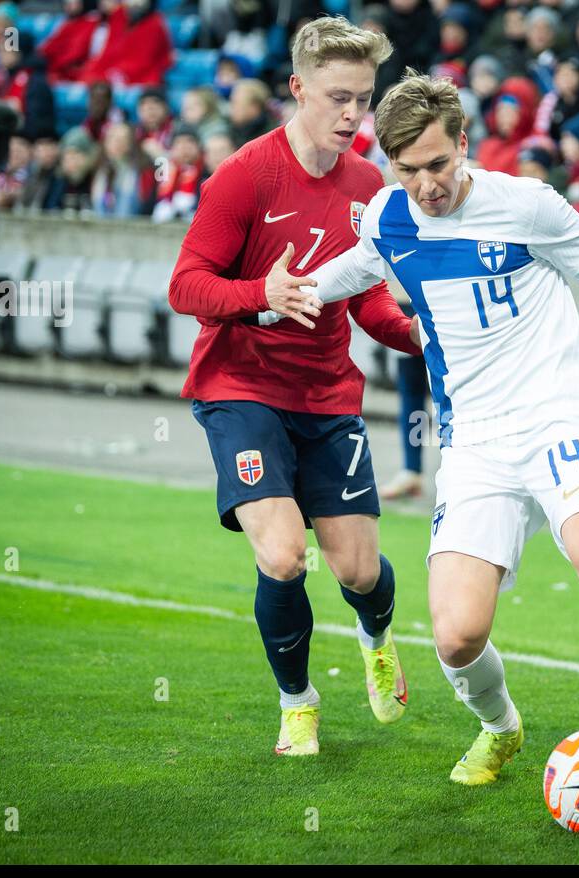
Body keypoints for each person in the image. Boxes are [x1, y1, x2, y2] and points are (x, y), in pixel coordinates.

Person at [298, 70, 579, 794]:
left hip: (558, 417)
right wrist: (284, 295)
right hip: (476, 441)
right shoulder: (389, 217)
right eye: (408, 170)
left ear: (464, 143)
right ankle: (501, 725)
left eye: (439, 165)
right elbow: (363, 266)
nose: (427, 185)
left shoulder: (530, 205)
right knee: (455, 633)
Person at [166, 17, 422, 759]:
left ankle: (376, 635)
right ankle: (297, 702)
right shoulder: (245, 174)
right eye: (338, 98)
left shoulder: (370, 185)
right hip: (240, 389)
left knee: (359, 570)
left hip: (328, 398)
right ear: (298, 88)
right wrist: (259, 293)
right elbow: (185, 284)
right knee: (283, 555)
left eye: (364, 100)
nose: (352, 115)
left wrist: (416, 333)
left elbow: (366, 300)